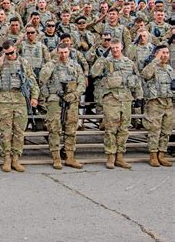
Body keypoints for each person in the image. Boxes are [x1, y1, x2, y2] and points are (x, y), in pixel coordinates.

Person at [0, 40, 39, 172]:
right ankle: (7, 159)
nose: (10, 56)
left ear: (15, 49)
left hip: (20, 100)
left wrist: (34, 97)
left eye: (11, 52)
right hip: (4, 101)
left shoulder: (23, 63)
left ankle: (16, 159)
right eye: (7, 54)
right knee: (6, 132)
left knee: (19, 132)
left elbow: (32, 80)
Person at [91, 39, 143, 169]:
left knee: (124, 129)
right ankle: (110, 156)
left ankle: (120, 156)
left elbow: (136, 81)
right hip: (111, 99)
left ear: (122, 47)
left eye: (117, 47)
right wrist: (102, 58)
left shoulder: (129, 63)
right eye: (112, 48)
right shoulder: (106, 62)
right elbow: (94, 72)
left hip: (125, 99)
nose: (115, 50)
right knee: (110, 129)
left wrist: (139, 97)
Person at [39, 43, 86, 169]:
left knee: (71, 129)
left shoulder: (75, 65)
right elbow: (42, 79)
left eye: (65, 52)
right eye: (61, 52)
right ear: (57, 52)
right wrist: (48, 95)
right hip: (55, 100)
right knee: (54, 129)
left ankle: (70, 157)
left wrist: (75, 94)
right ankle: (56, 158)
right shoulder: (51, 64)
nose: (63, 55)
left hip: (71, 101)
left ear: (69, 52)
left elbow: (82, 82)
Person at [141, 45, 174, 167]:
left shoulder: (170, 69)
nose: (165, 55)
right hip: (155, 103)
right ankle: (153, 155)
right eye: (162, 53)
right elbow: (145, 75)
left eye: (167, 53)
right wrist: (156, 60)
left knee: (166, 131)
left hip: (168, 103)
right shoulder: (152, 66)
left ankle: (162, 154)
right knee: (154, 130)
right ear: (156, 54)